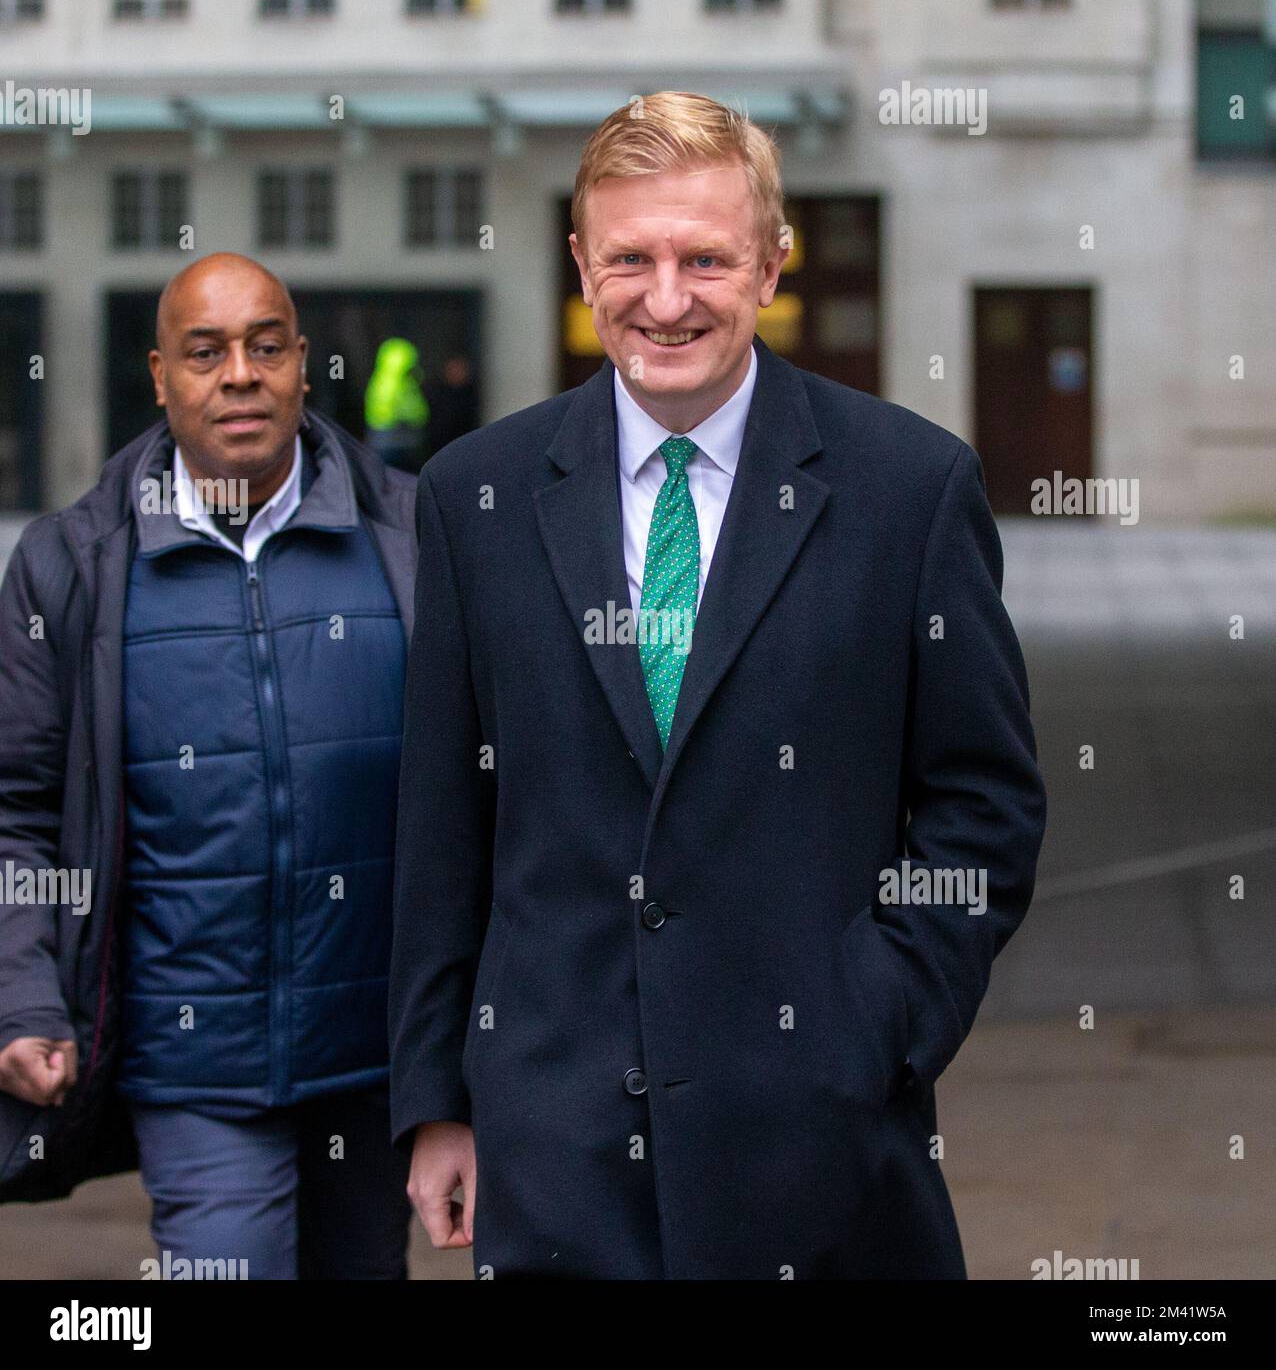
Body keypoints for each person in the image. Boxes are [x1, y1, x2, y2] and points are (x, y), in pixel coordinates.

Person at [389, 91, 1047, 1279]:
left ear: (773, 260)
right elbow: (443, 820)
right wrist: (439, 1092)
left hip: (822, 1148)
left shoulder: (909, 488)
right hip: (556, 1146)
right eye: (630, 257)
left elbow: (983, 807)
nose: (666, 297)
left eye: (706, 257)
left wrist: (882, 1016)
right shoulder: (471, 497)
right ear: (580, 260)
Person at [0, 253, 419, 1280]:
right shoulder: (73, 566)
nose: (240, 374)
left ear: (302, 366)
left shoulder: (411, 535)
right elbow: (15, 808)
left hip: (378, 1063)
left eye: (265, 346)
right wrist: (22, 997)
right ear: (159, 376)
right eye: (206, 351)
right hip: (193, 1065)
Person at [365, 337, 429, 473]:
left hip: (399, 442)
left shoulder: (387, 382)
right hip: (391, 441)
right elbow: (414, 412)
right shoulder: (392, 385)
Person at [425, 355, 479, 462]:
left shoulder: (471, 394)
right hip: (440, 447)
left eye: (459, 370)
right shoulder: (438, 393)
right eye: (452, 369)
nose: (455, 373)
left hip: (465, 446)